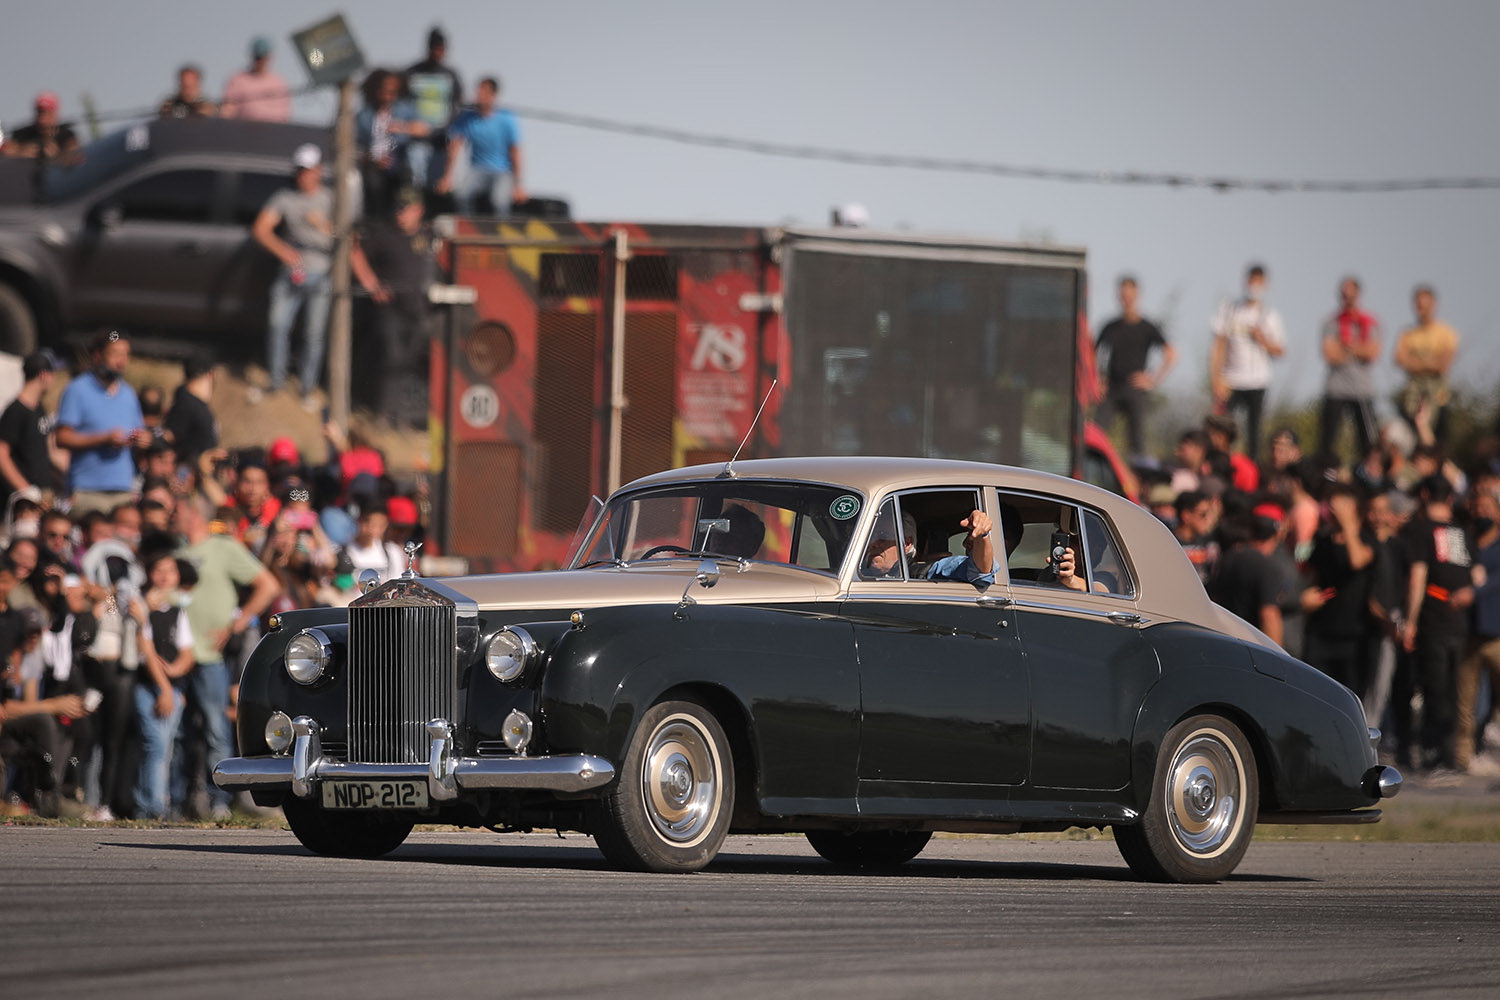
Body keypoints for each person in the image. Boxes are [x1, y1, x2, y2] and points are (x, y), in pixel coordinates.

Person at [175, 498, 281, 820]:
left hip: (210, 655)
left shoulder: (222, 547)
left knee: (215, 730)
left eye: (177, 510)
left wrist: (237, 622)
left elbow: (268, 585)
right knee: (178, 733)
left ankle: (221, 802)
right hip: (173, 656)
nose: (171, 515)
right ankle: (177, 802)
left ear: (194, 514)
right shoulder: (174, 550)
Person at [1401, 475, 1483, 772]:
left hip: (1433, 617)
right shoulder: (1463, 533)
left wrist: (1409, 620)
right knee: (1453, 689)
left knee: (1434, 687)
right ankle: (1450, 752)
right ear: (1450, 499)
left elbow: (1417, 578)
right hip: (1460, 620)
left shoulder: (1420, 530)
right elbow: (1478, 578)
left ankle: (1434, 752)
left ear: (1424, 495)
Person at [252, 144, 334, 406]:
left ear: (319, 170)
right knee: (278, 325)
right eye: (300, 170)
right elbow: (261, 229)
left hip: (322, 275)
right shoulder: (284, 198)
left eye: (308, 170)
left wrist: (322, 224)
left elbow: (348, 238)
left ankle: (307, 388)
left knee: (314, 333)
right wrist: (283, 251)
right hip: (291, 274)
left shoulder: (331, 199)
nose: (304, 176)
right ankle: (276, 381)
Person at [353, 189, 434, 420]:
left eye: (406, 209)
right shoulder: (383, 234)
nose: (401, 214)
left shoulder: (428, 236)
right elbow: (354, 249)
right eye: (399, 209)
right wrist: (371, 283)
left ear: (419, 211)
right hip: (390, 309)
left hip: (418, 311)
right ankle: (382, 412)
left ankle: (399, 414)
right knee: (392, 356)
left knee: (408, 361)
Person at [126, 552, 194, 819]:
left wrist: (176, 672)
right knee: (155, 743)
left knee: (166, 746)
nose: (165, 577)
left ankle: (162, 802)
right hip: (148, 685)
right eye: (159, 570)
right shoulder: (139, 605)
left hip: (172, 687)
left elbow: (188, 651)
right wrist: (165, 687)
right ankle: (151, 806)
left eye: (171, 571)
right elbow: (144, 647)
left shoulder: (178, 611)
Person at [55, 331, 148, 515]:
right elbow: (61, 438)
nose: (122, 361)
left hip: (123, 491)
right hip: (86, 491)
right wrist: (103, 439)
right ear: (97, 356)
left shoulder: (128, 394)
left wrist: (142, 440)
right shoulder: (77, 389)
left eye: (125, 355)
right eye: (115, 354)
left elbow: (139, 432)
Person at [1300, 484, 1376, 691]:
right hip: (1320, 632)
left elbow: (1357, 561)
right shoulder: (1323, 539)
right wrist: (1306, 600)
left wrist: (1349, 526)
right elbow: (1313, 578)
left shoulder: (1368, 540)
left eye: (1342, 504)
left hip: (1353, 637)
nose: (1336, 509)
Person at [1094, 275, 1176, 460]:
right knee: (1096, 432)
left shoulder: (1147, 327)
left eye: (1130, 295)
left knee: (1137, 441)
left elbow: (1171, 354)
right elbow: (1093, 353)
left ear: (1137, 296)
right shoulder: (1110, 326)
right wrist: (1097, 379)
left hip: (1134, 389)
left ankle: (1138, 481)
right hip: (1112, 388)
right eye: (1123, 295)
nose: (1126, 300)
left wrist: (1153, 379)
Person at [1210, 264, 1286, 460]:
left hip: (1258, 381)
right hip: (1231, 381)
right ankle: (1222, 467)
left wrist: (1263, 339)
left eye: (1258, 282)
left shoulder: (1270, 315)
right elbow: (1218, 345)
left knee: (1255, 432)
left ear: (1265, 284)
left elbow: (1280, 350)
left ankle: (1253, 472)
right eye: (1251, 281)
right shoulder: (1230, 310)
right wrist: (1216, 379)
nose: (1254, 286)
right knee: (1223, 431)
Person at [1456, 483, 1500, 773]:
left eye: (1487, 507)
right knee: (1464, 703)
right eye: (1477, 507)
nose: (1481, 512)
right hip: (1468, 633)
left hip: (1496, 633)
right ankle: (1462, 758)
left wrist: (1477, 591)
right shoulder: (1465, 541)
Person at [437, 77, 525, 217]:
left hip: (502, 171)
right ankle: (468, 228)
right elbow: (455, 147)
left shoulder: (507, 119)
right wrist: (447, 177)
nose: (479, 96)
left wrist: (519, 185)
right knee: (462, 194)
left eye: (484, 92)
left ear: (493, 95)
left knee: (499, 200)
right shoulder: (467, 118)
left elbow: (515, 152)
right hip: (477, 168)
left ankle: (500, 232)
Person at [1319, 277, 1381, 463]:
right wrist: (1357, 348)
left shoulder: (1370, 322)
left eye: (1350, 294)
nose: (1346, 298)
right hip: (1336, 388)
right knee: (1327, 441)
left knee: (1367, 441)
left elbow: (1372, 353)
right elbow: (1330, 354)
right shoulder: (1331, 322)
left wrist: (1346, 346)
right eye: (1343, 294)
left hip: (1362, 389)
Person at [863, 507, 996, 588]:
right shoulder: (856, 572)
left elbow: (980, 573)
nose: (873, 543)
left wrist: (981, 534)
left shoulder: (922, 573)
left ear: (906, 543)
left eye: (882, 536)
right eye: (871, 537)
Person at [356, 69, 429, 215]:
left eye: (393, 91)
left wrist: (401, 127)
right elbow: (356, 147)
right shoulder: (364, 116)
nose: (389, 95)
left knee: (407, 184)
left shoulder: (404, 109)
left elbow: (424, 129)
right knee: (373, 189)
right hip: (375, 166)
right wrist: (373, 158)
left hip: (400, 163)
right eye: (385, 91)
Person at [1394, 285, 1460, 446]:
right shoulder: (1407, 333)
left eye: (1425, 305)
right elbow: (1400, 360)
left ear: (1434, 305)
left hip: (1438, 395)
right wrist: (1430, 362)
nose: (1421, 309)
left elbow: (1443, 365)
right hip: (1413, 395)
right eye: (1418, 305)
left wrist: (1416, 362)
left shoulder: (1446, 332)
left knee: (1438, 438)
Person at [1208, 514, 1286, 647]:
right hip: (1253, 646)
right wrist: (1278, 657)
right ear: (1272, 539)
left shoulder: (1226, 559)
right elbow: (1269, 614)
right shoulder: (1266, 566)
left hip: (1224, 640)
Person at [0, 350, 63, 508]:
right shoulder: (16, 410)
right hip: (24, 499)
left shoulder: (39, 409)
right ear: (43, 375)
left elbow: (49, 450)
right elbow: (2, 454)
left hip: (44, 492)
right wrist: (25, 490)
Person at [405, 26, 464, 191]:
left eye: (442, 49)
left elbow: (457, 106)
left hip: (440, 140)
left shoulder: (451, 75)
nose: (439, 53)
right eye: (436, 49)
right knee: (416, 180)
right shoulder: (412, 72)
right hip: (416, 139)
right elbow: (401, 104)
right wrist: (411, 126)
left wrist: (444, 128)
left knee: (437, 183)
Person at [220, 36, 291, 122]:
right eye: (258, 57)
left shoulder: (279, 82)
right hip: (245, 132)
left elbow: (286, 117)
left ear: (269, 57)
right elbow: (227, 112)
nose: (260, 61)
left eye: (263, 57)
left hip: (275, 133)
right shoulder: (237, 80)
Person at [163, 358, 218, 467]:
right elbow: (169, 436)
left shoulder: (193, 403)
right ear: (210, 374)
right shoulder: (187, 404)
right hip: (189, 475)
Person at [1, 91, 80, 162]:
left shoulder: (67, 135)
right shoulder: (22, 134)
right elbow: (6, 151)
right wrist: (21, 153)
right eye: (39, 113)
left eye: (48, 114)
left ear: (55, 114)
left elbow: (76, 158)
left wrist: (57, 155)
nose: (42, 119)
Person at [341, 506, 404, 582]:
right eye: (367, 523)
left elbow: (398, 583)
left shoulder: (392, 552)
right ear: (359, 521)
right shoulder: (343, 550)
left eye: (379, 525)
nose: (373, 530)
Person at [1173, 490, 1219, 584]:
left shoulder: (1209, 542)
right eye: (1203, 514)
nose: (1207, 519)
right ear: (1186, 515)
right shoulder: (1170, 542)